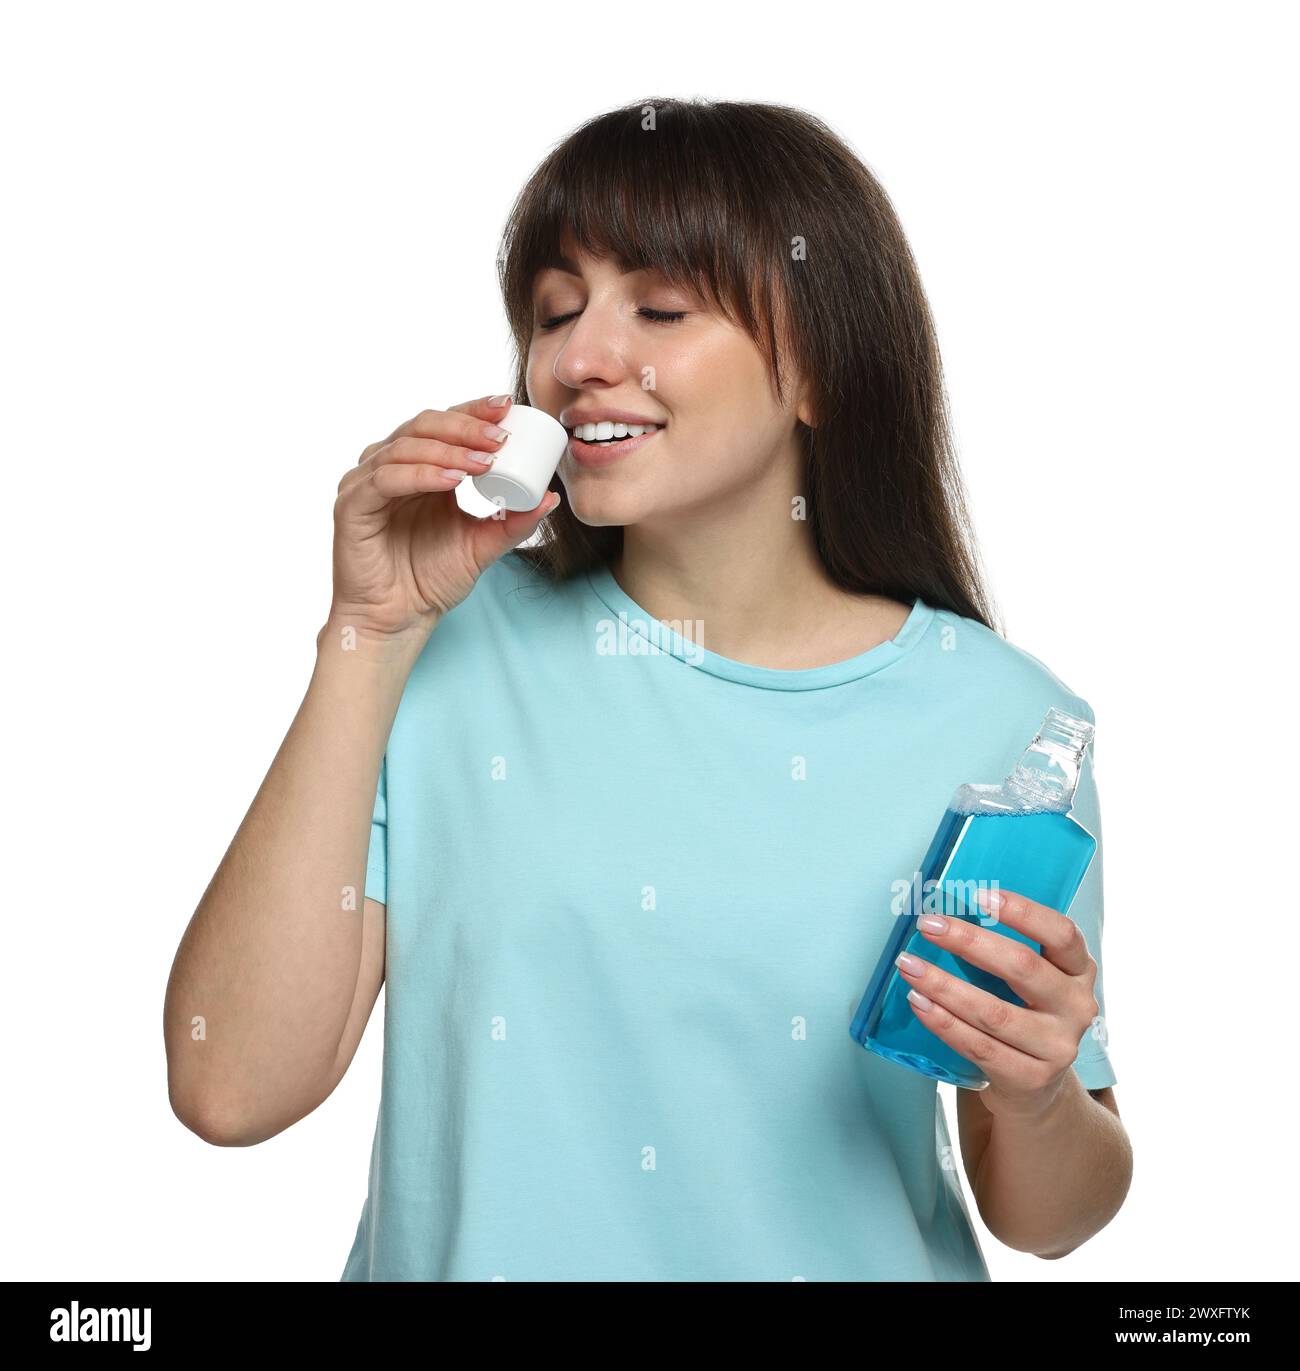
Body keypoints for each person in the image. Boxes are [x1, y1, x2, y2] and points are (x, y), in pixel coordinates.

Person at [164, 97, 1133, 1281]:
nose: (575, 360)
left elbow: (1052, 1218)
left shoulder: (994, 719)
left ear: (822, 369)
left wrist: (1034, 1099)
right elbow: (228, 1089)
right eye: (555, 310)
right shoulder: (443, 642)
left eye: (661, 308)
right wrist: (365, 633)